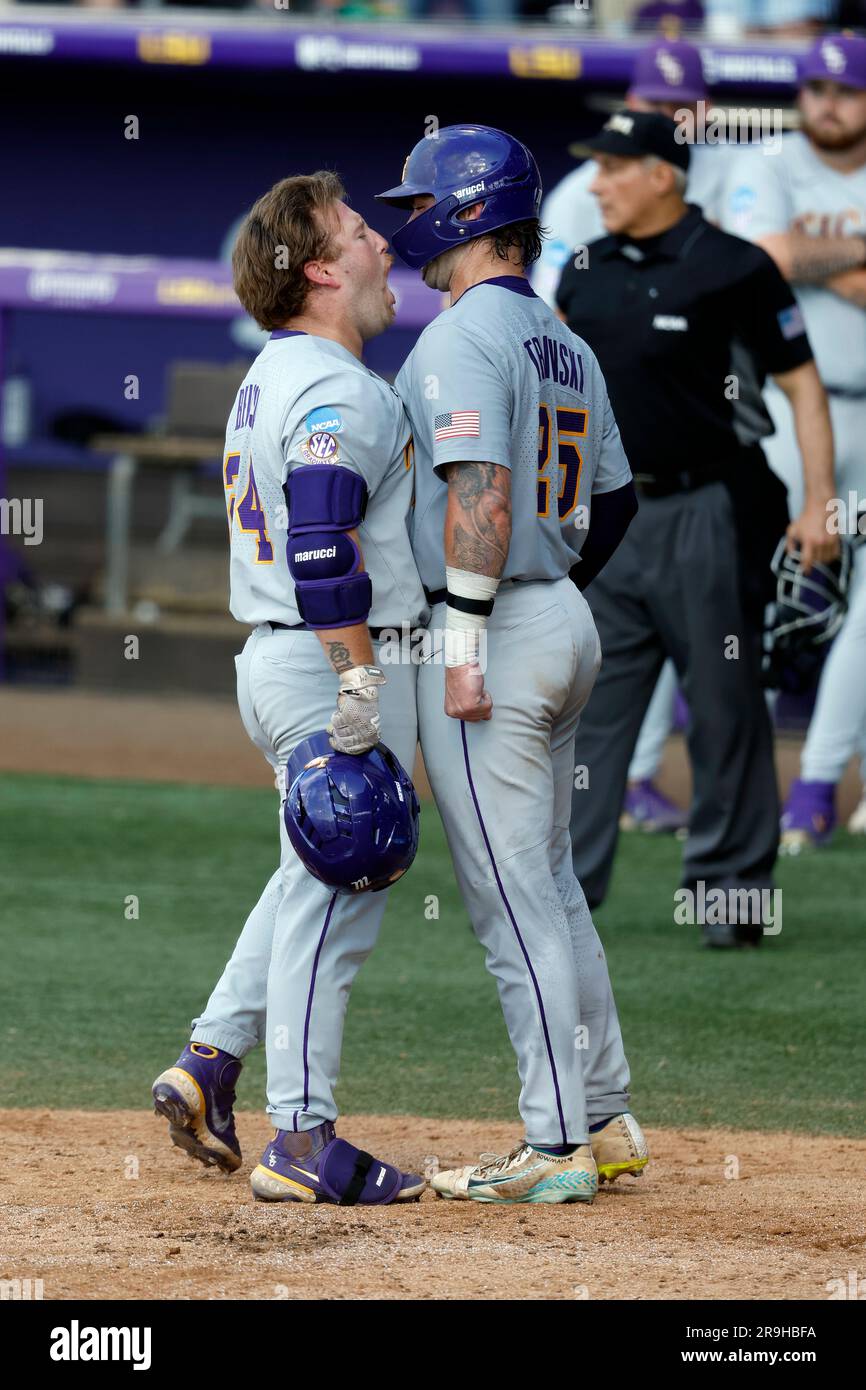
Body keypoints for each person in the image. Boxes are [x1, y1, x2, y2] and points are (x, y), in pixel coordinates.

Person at [376, 125, 648, 1205]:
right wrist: (549, 586)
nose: (409, 225)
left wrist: (469, 637)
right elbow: (617, 498)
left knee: (509, 900)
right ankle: (606, 1112)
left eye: (420, 205)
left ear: (464, 211)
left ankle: (552, 1141)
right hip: (559, 618)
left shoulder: (456, 337)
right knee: (554, 886)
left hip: (484, 628)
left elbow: (480, 495)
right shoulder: (559, 336)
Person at [151, 171, 430, 1206]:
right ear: (318, 268)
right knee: (340, 893)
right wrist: (359, 679)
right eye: (360, 232)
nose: (381, 245)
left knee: (306, 875)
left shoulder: (276, 373)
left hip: (282, 655)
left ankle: (212, 1060)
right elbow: (320, 542)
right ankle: (303, 1138)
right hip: (330, 659)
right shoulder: (336, 384)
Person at [556, 112, 838, 947]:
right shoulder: (584, 270)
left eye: (613, 167)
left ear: (662, 175)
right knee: (591, 707)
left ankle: (730, 895)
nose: (598, 184)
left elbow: (804, 387)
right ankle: (561, 895)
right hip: (608, 518)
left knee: (723, 705)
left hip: (711, 508)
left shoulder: (734, 266)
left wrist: (820, 498)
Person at [532, 38, 720, 838]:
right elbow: (547, 323)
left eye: (677, 110)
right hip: (601, 434)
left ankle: (653, 788)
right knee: (600, 626)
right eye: (648, 106)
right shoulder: (585, 194)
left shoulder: (726, 174)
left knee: (706, 638)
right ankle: (597, 798)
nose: (661, 121)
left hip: (700, 439)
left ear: (703, 115)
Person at [722, 32, 866, 849]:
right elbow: (765, 253)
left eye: (846, 90)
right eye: (815, 88)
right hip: (786, 413)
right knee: (762, 601)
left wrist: (821, 266)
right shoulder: (770, 160)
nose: (829, 103)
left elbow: (790, 258)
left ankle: (815, 785)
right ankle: (684, 784)